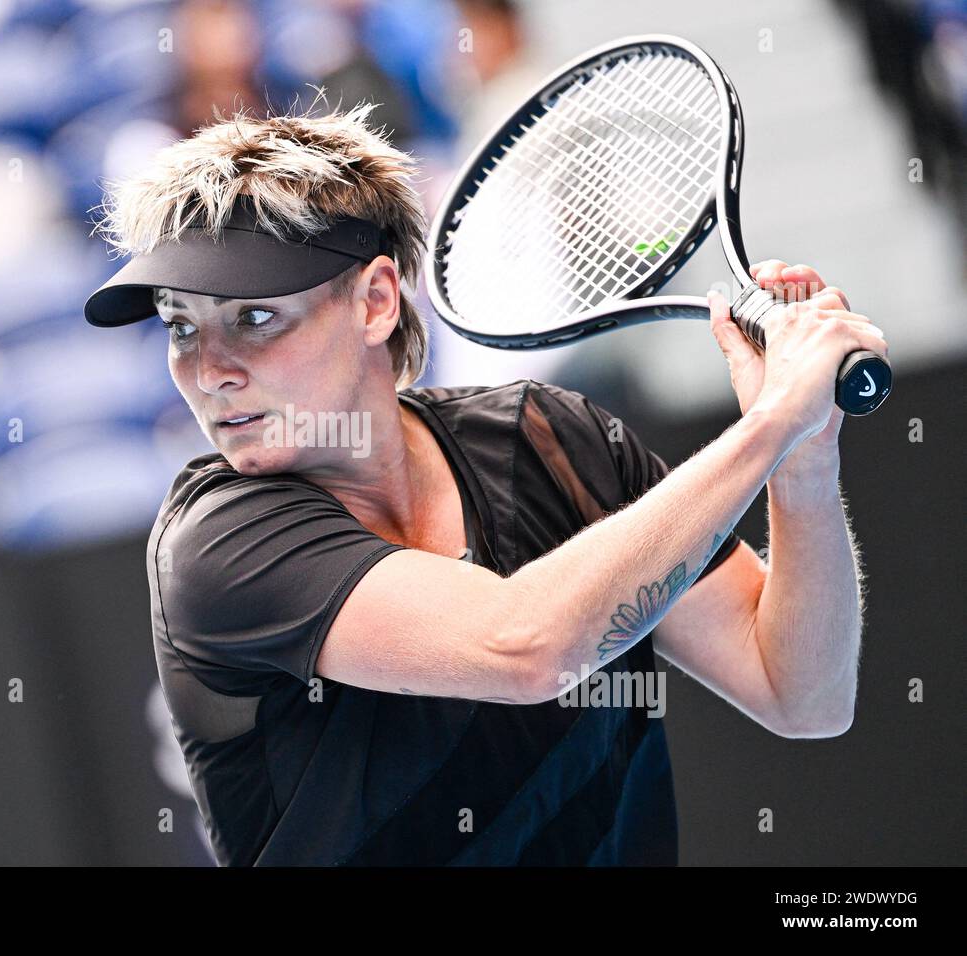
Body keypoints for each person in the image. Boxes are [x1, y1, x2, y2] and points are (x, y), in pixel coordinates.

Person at [83, 104, 888, 866]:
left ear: (374, 301)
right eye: (180, 325)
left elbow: (802, 696)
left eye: (253, 318)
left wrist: (806, 457)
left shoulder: (555, 440)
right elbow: (527, 649)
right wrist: (771, 421)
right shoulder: (218, 544)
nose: (209, 371)